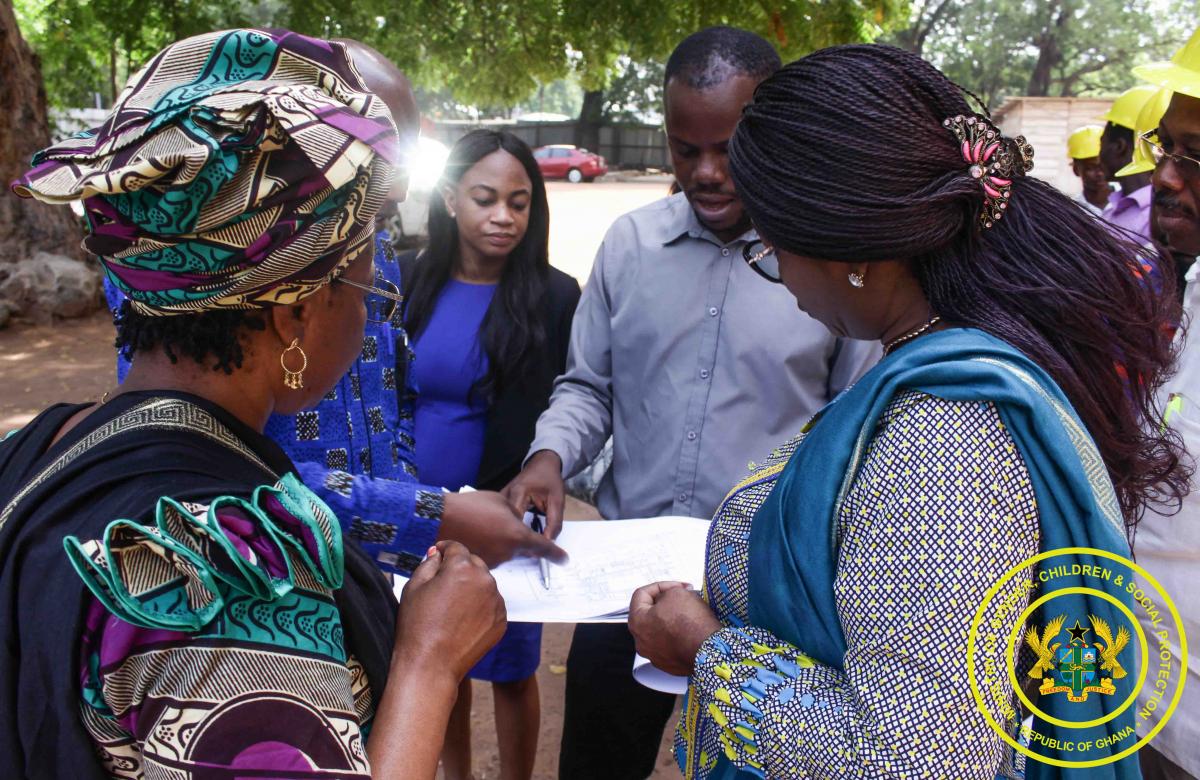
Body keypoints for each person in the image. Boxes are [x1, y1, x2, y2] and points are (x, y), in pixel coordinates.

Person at [627, 43, 1187, 779]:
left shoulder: (945, 439)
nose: (774, 270)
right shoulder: (934, 371)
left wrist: (706, 649)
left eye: (773, 244)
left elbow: (915, 758)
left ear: (851, 248)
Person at [1, 29, 507, 779]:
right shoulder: (223, 577)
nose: (378, 303)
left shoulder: (45, 447)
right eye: (367, 279)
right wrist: (429, 664)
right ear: (294, 314)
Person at [503, 26, 879, 780]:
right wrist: (548, 456)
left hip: (770, 595)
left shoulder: (835, 266)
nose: (707, 173)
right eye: (685, 148)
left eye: (730, 148)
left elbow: (855, 429)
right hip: (624, 590)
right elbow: (587, 386)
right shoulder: (628, 246)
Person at [99, 39, 558, 579]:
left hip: (379, 581)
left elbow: (395, 399)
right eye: (380, 149)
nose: (405, 186)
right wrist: (425, 514)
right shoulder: (179, 272)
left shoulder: (370, 240)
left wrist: (413, 528)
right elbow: (205, 464)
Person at [400, 129, 581, 780]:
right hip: (418, 512)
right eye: (485, 198)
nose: (503, 216)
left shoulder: (554, 297)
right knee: (438, 656)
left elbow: (566, 400)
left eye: (519, 201)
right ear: (451, 198)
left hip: (504, 514)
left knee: (509, 666)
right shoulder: (411, 279)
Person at [1129, 28, 1200, 780]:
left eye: (1197, 156)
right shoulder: (1191, 287)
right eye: (1166, 148)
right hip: (1149, 709)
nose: (1168, 179)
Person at [1100, 85, 1160, 240]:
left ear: (1119, 147)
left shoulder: (1155, 220)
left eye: (1102, 142)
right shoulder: (1112, 209)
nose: (1098, 154)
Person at [1067, 125, 1112, 213]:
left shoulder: (1129, 201)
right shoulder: (1073, 212)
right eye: (1090, 168)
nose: (1100, 173)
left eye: (1104, 165)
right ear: (1076, 169)